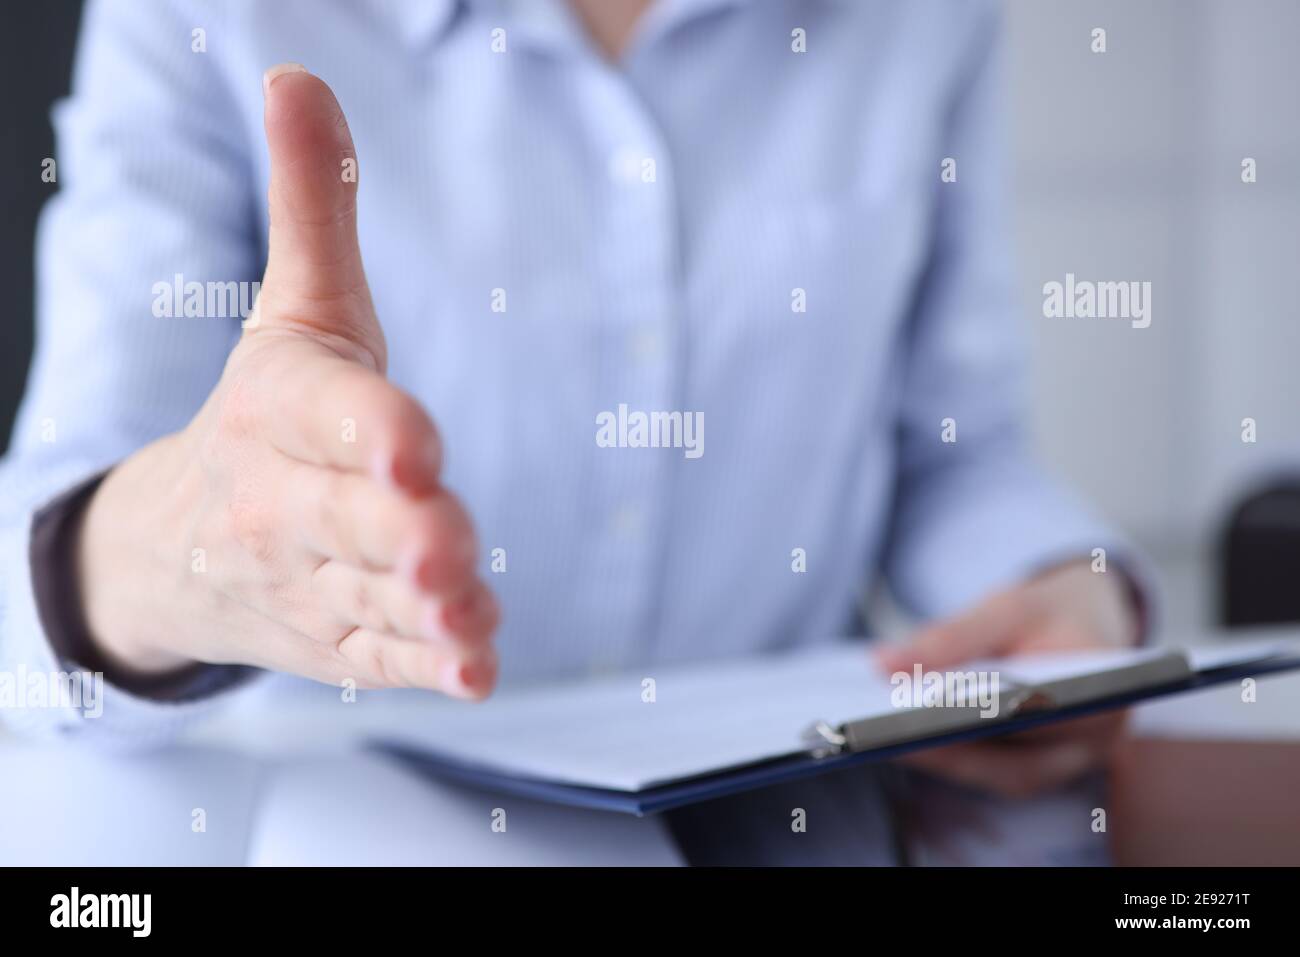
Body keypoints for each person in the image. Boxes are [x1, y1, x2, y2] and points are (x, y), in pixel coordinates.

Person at [0, 0, 1143, 863]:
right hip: (346, 824)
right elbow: (44, 558)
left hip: (794, 826)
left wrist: (1070, 590)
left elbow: (954, 451)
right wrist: (181, 549)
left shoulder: (922, 21)